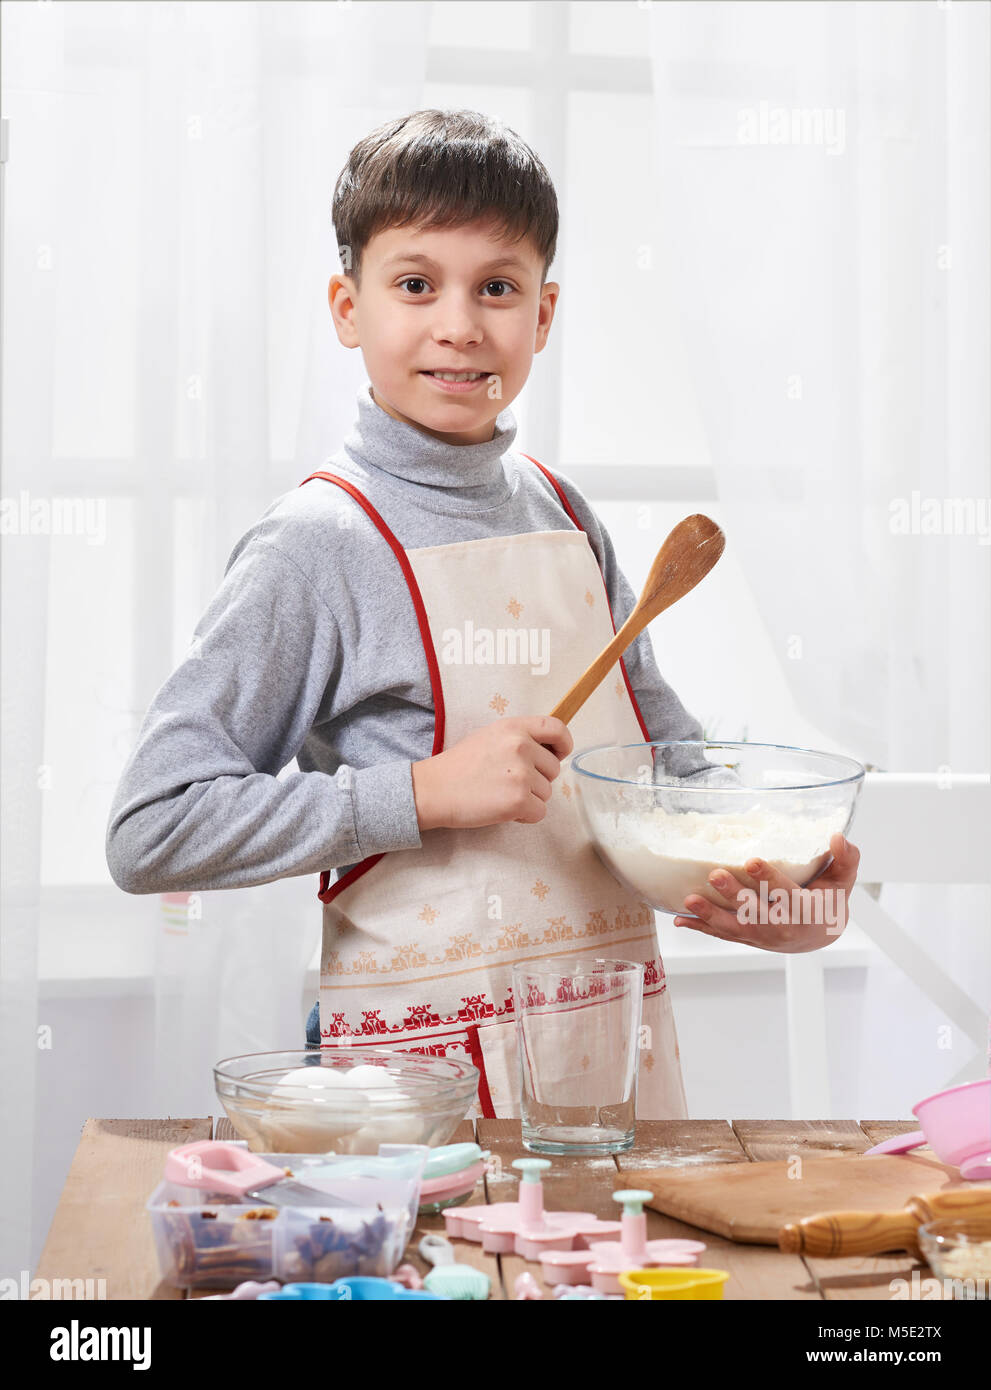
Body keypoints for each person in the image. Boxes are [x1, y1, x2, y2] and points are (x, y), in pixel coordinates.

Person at [106, 108, 860, 1119]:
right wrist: (417, 792)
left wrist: (776, 897)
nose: (459, 324)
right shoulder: (318, 545)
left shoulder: (564, 514)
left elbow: (665, 782)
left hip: (610, 1070)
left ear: (542, 315)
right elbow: (151, 828)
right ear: (347, 304)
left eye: (496, 287)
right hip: (415, 1093)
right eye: (415, 283)